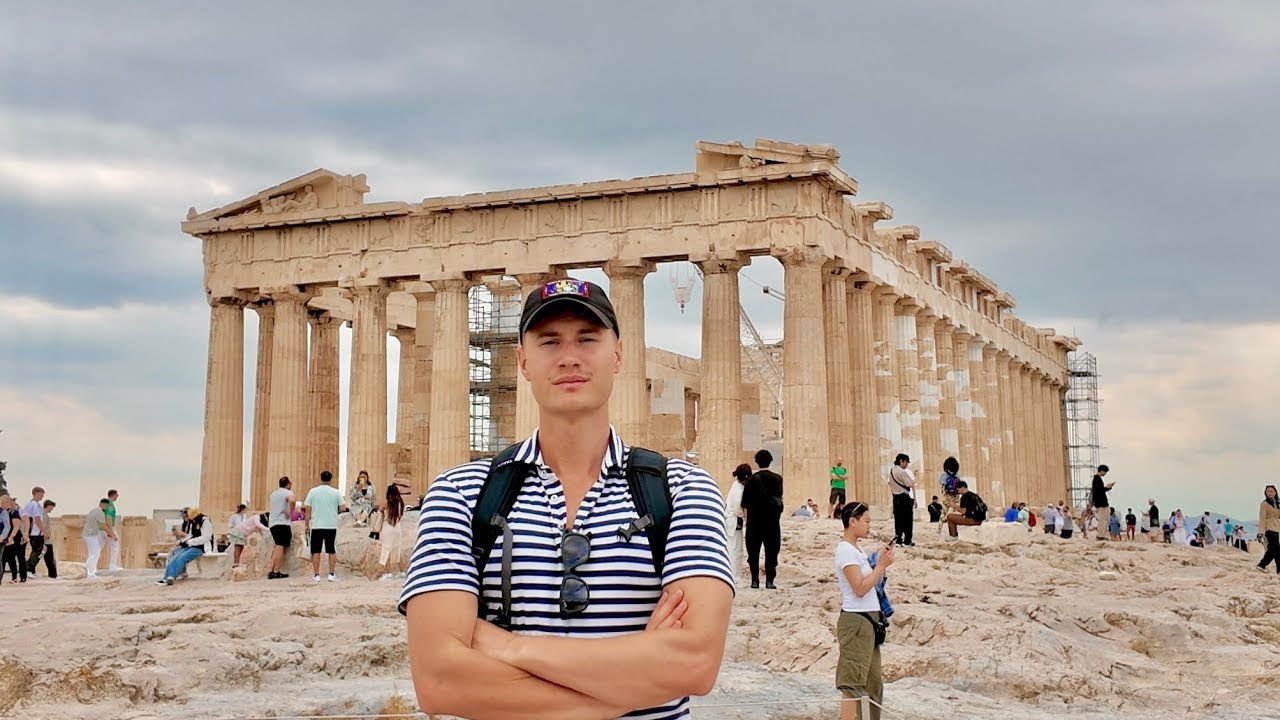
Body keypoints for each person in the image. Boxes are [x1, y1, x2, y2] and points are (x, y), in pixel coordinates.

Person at [400, 277, 733, 720]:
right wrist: (639, 678)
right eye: (549, 341)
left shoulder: (682, 489)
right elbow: (441, 684)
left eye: (587, 339)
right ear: (522, 361)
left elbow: (695, 664)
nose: (569, 357)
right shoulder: (461, 493)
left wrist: (509, 645)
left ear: (618, 354)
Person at [834, 501, 895, 720]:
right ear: (853, 521)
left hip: (869, 621)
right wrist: (880, 567)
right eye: (866, 521)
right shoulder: (845, 551)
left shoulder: (857, 550)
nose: (870, 525)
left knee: (873, 684)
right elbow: (859, 588)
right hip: (856, 621)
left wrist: (880, 562)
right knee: (852, 685)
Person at [743, 448, 784, 589]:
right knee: (772, 552)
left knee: (753, 552)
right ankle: (770, 581)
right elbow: (779, 497)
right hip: (772, 521)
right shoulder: (777, 478)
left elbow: (745, 504)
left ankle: (754, 581)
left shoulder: (751, 480)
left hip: (754, 522)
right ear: (770, 461)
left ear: (756, 462)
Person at [303, 470, 347, 582]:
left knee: (316, 550)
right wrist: (333, 510)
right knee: (331, 550)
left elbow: (308, 508)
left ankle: (316, 575)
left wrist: (306, 524)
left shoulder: (313, 491)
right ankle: (331, 574)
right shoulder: (336, 492)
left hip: (317, 524)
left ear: (321, 478)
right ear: (330, 479)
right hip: (331, 525)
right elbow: (343, 508)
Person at [157, 507, 213, 585]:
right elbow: (191, 535)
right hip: (191, 545)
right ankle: (166, 577)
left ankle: (172, 576)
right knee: (175, 556)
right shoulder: (194, 521)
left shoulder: (205, 522)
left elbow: (205, 537)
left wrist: (190, 542)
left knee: (182, 558)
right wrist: (181, 542)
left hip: (201, 547)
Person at [724, 463, 749, 585]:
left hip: (733, 521)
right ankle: (734, 576)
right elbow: (738, 508)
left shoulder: (736, 486)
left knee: (733, 548)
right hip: (734, 522)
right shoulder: (738, 489)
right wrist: (746, 517)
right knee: (735, 550)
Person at [376, 483, 407, 580]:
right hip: (397, 528)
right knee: (397, 550)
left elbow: (379, 511)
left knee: (386, 549)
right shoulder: (400, 502)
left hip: (387, 528)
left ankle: (388, 573)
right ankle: (402, 571)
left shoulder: (386, 502)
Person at [267, 476, 295, 580]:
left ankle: (271, 570)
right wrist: (291, 513)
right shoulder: (288, 493)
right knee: (280, 546)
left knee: (277, 546)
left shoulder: (273, 494)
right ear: (287, 484)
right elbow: (292, 501)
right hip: (282, 523)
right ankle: (276, 571)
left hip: (273, 523)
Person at [887, 453, 915, 547]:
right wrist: (917, 477)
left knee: (898, 519)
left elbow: (889, 483)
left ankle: (898, 539)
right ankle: (907, 541)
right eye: (906, 462)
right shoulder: (902, 472)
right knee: (907, 520)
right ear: (901, 461)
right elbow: (910, 484)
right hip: (904, 498)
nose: (907, 464)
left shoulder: (891, 471)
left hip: (896, 498)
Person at [82, 498, 115, 579]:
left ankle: (88, 569)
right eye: (107, 506)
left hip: (87, 534)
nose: (107, 508)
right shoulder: (100, 513)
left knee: (93, 553)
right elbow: (103, 525)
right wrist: (112, 534)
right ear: (105, 504)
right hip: (91, 535)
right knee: (95, 553)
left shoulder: (93, 510)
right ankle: (91, 574)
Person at [1, 495, 26, 583]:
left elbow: (16, 526)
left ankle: (17, 577)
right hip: (6, 537)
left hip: (14, 537)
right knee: (5, 558)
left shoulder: (14, 512)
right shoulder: (4, 512)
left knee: (13, 557)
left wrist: (11, 537)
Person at [1257, 486, 1280, 573]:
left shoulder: (1277, 503)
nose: (1269, 493)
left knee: (1274, 549)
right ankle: (1262, 564)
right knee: (1276, 549)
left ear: (1275, 492)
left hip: (1277, 528)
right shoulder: (1264, 504)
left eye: (1271, 491)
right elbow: (1262, 518)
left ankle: (1262, 565)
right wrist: (1261, 532)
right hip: (1268, 528)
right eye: (1267, 491)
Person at [33, 499, 57, 578]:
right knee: (49, 559)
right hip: (46, 541)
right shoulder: (44, 515)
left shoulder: (43, 514)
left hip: (45, 541)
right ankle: (53, 576)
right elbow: (42, 527)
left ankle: (52, 575)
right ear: (48, 506)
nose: (52, 509)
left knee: (45, 558)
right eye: (52, 507)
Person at [1090, 465, 1114, 541]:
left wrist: (1108, 487)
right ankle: (1100, 535)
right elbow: (1099, 491)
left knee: (1106, 519)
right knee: (1102, 519)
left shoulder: (1097, 478)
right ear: (1102, 471)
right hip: (1101, 502)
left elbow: (1100, 490)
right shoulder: (1096, 479)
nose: (1105, 474)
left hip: (1102, 502)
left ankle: (1102, 534)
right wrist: (1107, 487)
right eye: (1105, 472)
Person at [104, 489, 122, 572]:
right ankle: (112, 566)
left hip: (104, 528)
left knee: (98, 547)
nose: (117, 496)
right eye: (116, 495)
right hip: (109, 527)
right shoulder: (110, 505)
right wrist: (111, 532)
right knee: (115, 546)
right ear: (113, 495)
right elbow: (108, 518)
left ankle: (91, 567)